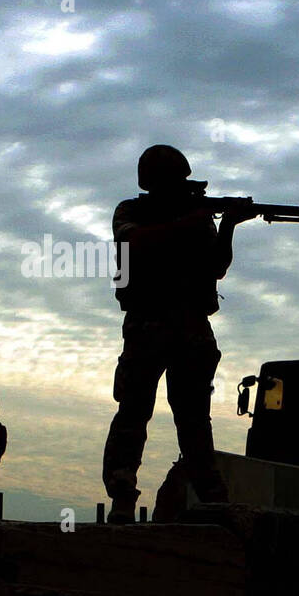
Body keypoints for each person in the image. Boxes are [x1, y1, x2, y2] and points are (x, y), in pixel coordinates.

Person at [100, 145, 258, 524]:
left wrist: (228, 225)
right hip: (147, 323)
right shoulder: (132, 212)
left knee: (194, 420)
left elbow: (217, 268)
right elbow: (134, 243)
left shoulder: (196, 218)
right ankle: (123, 495)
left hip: (190, 327)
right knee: (134, 413)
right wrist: (194, 220)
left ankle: (211, 497)